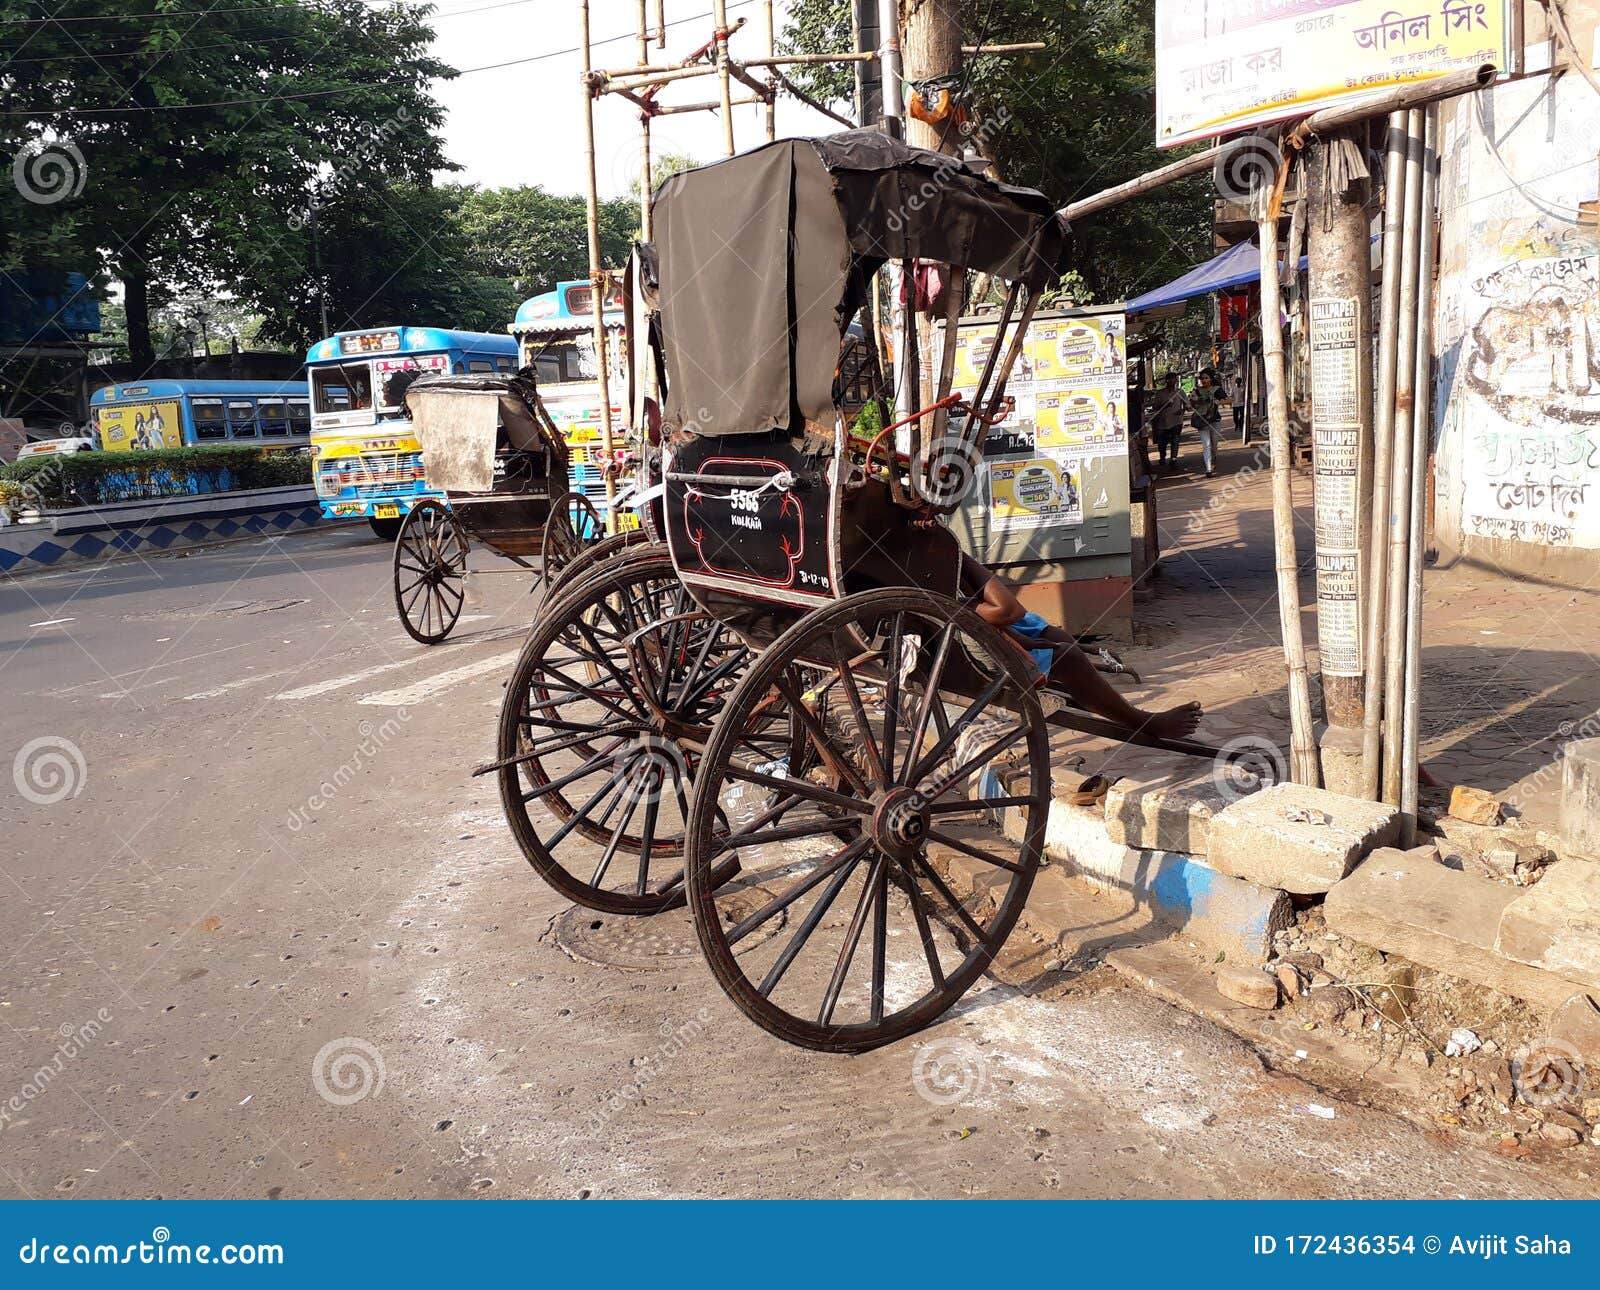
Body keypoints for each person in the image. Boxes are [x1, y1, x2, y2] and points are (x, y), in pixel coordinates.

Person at [958, 551, 1202, 741]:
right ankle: (1143, 722)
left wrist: (1023, 639)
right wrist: (962, 555)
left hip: (973, 620)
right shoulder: (934, 547)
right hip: (966, 635)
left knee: (1059, 638)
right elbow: (1008, 610)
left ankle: (1092, 693)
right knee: (1068, 658)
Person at [1146, 373, 1186, 470]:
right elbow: (1155, 407)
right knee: (1162, 442)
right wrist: (1165, 405)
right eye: (1170, 380)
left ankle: (1173, 458)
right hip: (1162, 422)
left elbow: (1187, 404)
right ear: (1166, 381)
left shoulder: (1180, 392)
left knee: (1175, 440)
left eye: (1174, 380)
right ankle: (1162, 456)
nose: (1172, 382)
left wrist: (1182, 411)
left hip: (1176, 421)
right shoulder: (1160, 393)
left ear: (1176, 381)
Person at [1189, 368, 1223, 477]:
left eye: (1206, 378)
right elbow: (1191, 405)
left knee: (1214, 444)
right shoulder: (1197, 390)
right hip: (1202, 421)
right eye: (1202, 378)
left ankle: (1213, 459)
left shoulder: (1217, 389)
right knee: (1206, 444)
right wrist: (1193, 401)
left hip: (1215, 420)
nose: (1204, 380)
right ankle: (1208, 469)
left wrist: (1219, 401)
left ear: (1211, 379)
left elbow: (1229, 399)